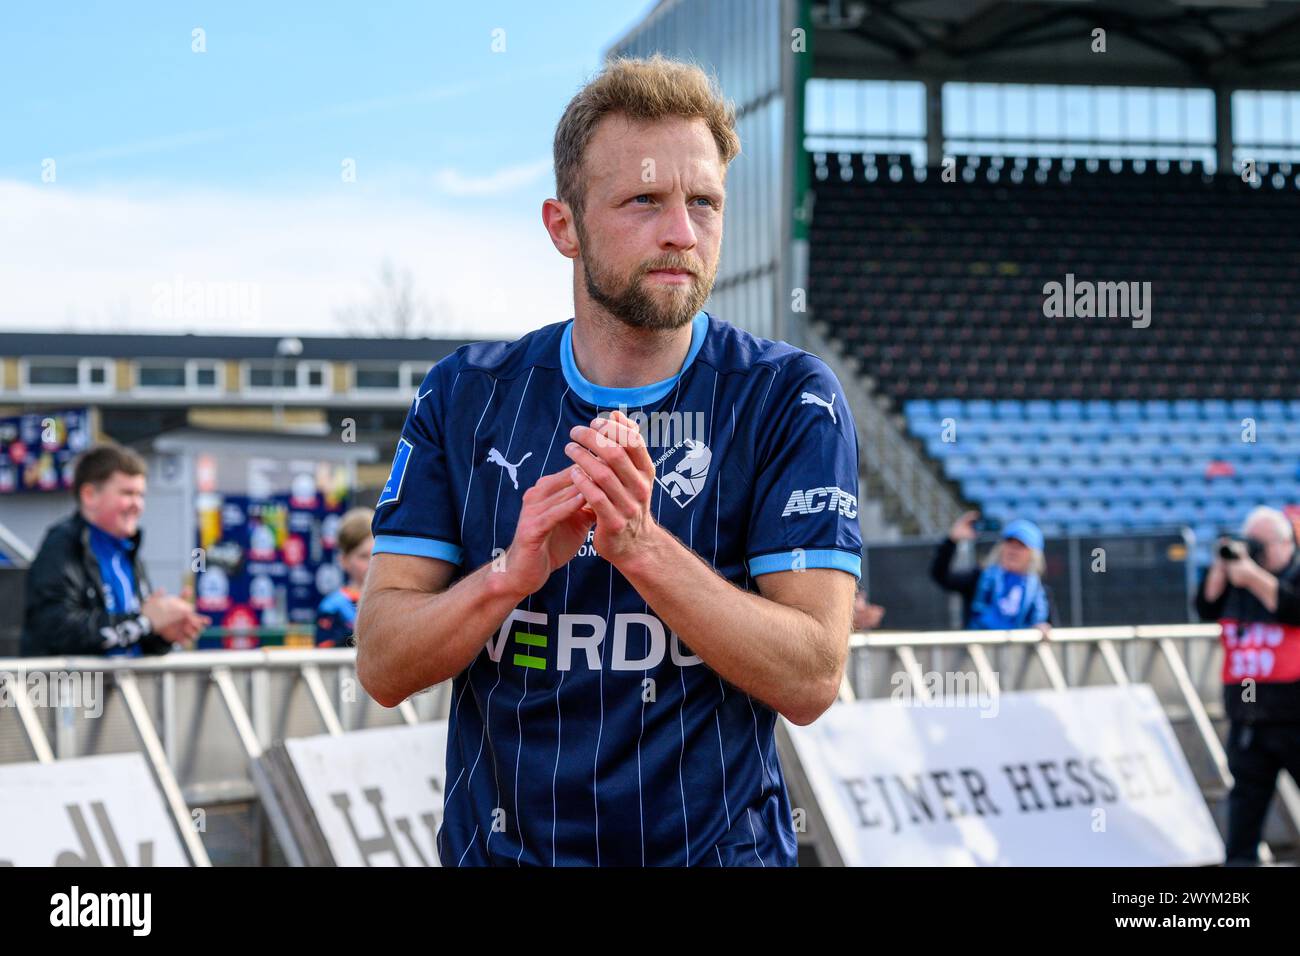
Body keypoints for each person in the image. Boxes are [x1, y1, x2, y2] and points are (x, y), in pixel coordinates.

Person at [356, 55, 862, 867]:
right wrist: (507, 577)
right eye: (644, 202)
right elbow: (382, 661)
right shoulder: (467, 394)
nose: (682, 233)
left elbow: (810, 678)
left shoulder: (786, 396)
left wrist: (641, 548)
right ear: (564, 226)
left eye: (704, 202)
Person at [21, 443, 209, 657]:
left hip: (122, 689)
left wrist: (161, 633)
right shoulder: (63, 544)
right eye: (127, 493)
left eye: (141, 495)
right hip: (75, 689)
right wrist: (145, 621)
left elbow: (129, 638)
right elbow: (57, 630)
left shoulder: (128, 550)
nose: (138, 505)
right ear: (89, 495)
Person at [1195, 506, 1300, 865]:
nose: (1254, 551)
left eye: (1261, 544)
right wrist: (1221, 567)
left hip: (1294, 716)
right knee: (1244, 811)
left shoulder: (1290, 575)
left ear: (1285, 543)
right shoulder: (1237, 584)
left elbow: (1292, 608)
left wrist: (1253, 575)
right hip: (1248, 720)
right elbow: (1206, 607)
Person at [930, 511, 1052, 636]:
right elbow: (941, 576)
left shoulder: (1039, 593)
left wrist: (1041, 629)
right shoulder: (979, 578)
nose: (1013, 551)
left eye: (1021, 546)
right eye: (1010, 543)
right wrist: (951, 541)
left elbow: (1046, 626)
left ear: (1033, 554)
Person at [315, 507, 374, 648]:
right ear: (344, 560)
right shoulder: (332, 606)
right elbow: (323, 653)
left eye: (376, 554)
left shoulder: (393, 599)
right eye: (363, 556)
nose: (372, 562)